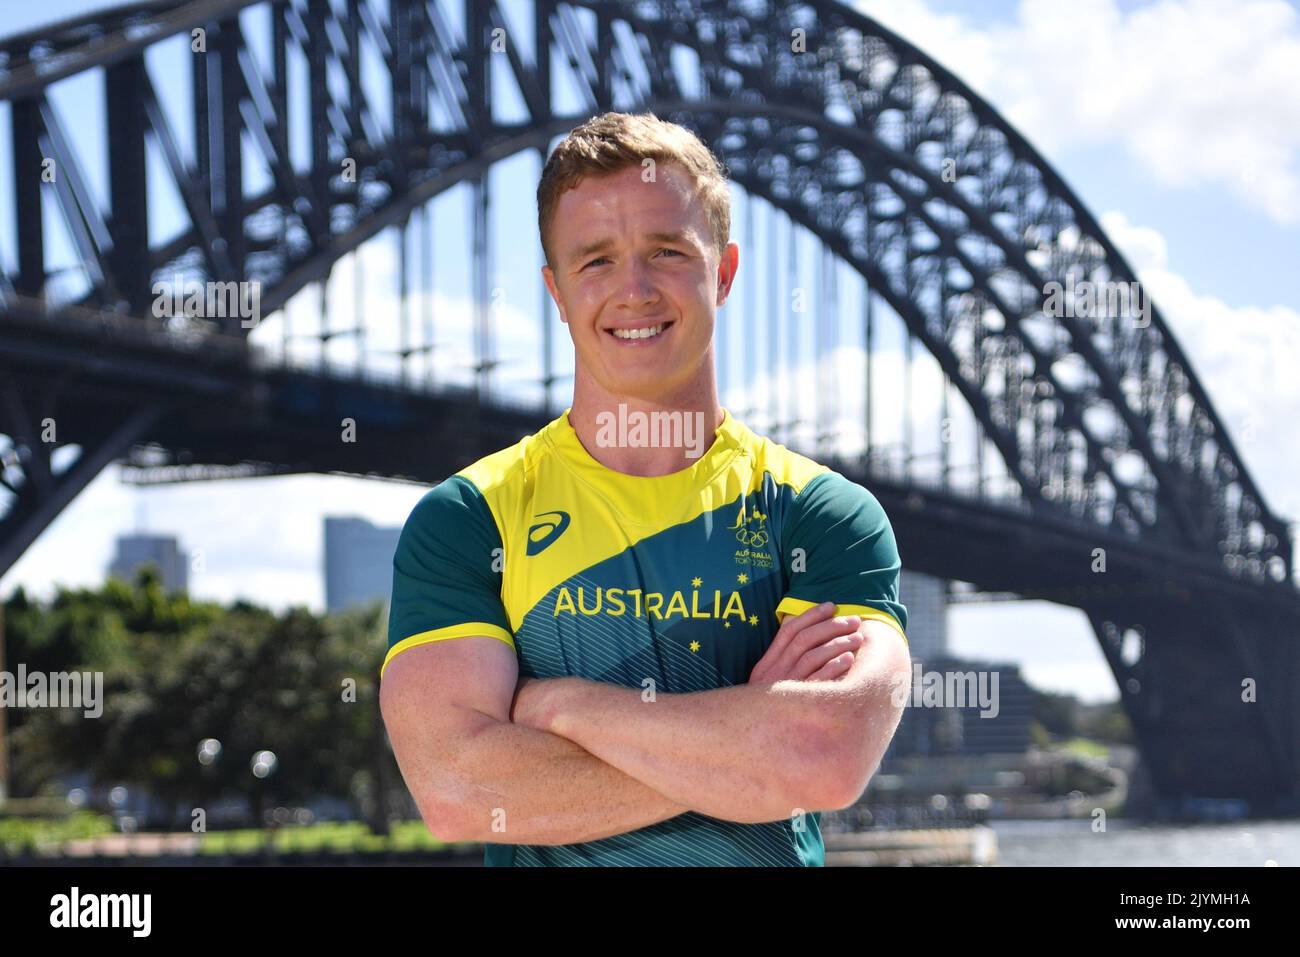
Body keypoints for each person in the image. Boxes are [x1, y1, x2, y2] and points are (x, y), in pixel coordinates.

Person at [379, 111, 912, 866]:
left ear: (723, 273)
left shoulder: (825, 516)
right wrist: (747, 746)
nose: (633, 290)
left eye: (666, 252)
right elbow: (458, 789)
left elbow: (820, 759)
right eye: (594, 261)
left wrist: (555, 707)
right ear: (557, 291)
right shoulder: (471, 519)